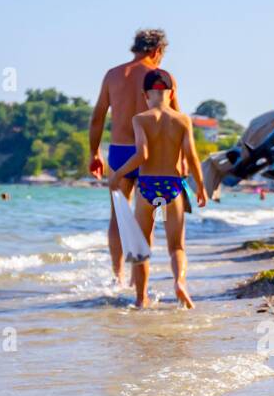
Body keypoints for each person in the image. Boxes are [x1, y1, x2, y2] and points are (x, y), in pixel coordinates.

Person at [88, 29, 180, 287]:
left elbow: (97, 118)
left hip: (118, 152)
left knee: (117, 216)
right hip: (150, 156)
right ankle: (138, 281)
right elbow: (177, 119)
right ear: (157, 51)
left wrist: (94, 152)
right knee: (145, 219)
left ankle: (117, 276)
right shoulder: (161, 79)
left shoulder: (113, 74)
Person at [108, 68, 205, 309]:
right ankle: (179, 282)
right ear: (171, 94)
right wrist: (201, 187)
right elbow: (192, 157)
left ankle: (141, 299)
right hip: (172, 186)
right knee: (177, 247)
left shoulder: (140, 119)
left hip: (147, 187)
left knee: (142, 247)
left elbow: (143, 154)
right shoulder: (183, 120)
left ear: (145, 95)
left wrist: (119, 173)